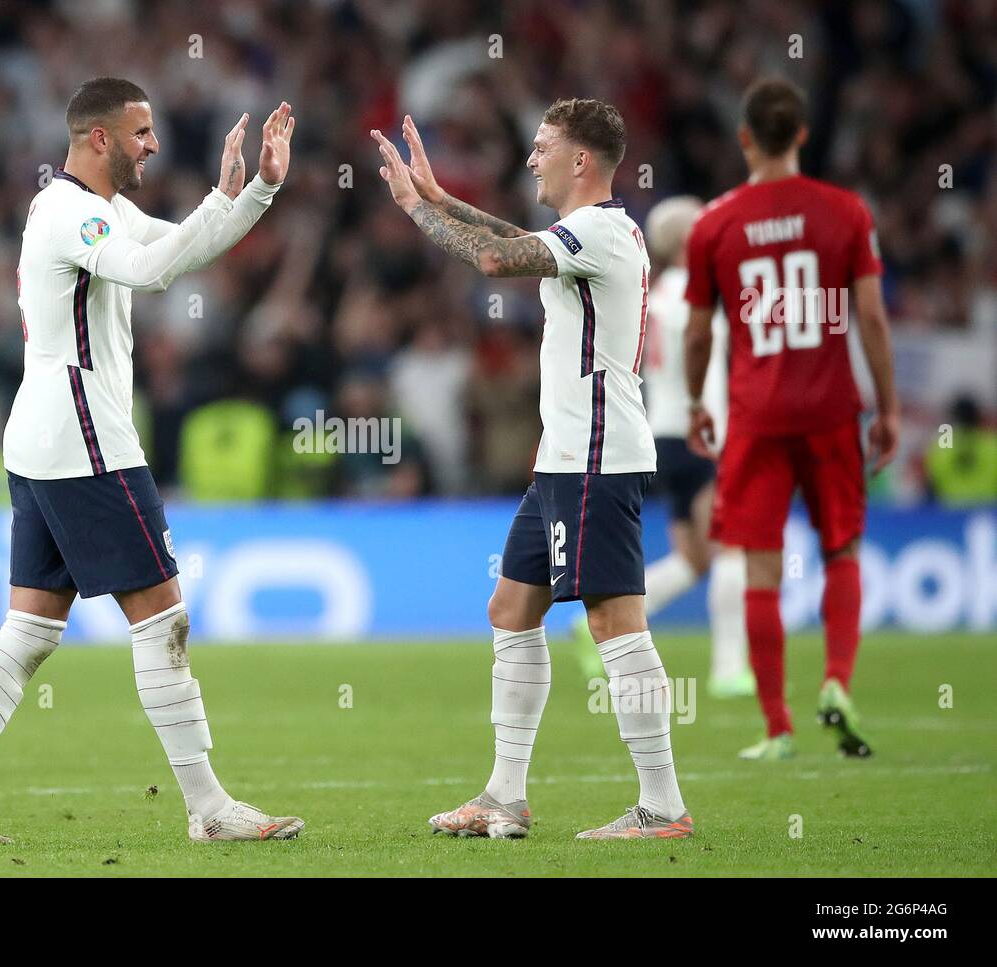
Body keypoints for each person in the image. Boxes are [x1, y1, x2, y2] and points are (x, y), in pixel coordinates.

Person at [0, 78, 304, 843]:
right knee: (163, 618)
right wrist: (233, 200)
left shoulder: (96, 210)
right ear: (98, 139)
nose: (153, 145)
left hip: (41, 437)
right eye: (141, 132)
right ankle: (210, 807)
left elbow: (173, 248)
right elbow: (152, 272)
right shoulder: (70, 214)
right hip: (86, 438)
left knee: (28, 630)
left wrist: (253, 191)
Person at [373, 105, 693, 840]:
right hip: (562, 461)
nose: (530, 160)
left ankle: (664, 803)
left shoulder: (605, 231)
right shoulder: (588, 235)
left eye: (543, 148)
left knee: (614, 621)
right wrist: (441, 195)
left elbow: (493, 261)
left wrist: (418, 209)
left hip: (597, 458)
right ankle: (504, 797)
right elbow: (518, 244)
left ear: (582, 160)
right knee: (511, 610)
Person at [683, 77, 898, 760]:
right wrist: (887, 407)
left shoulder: (714, 222)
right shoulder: (845, 210)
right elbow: (869, 316)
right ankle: (836, 681)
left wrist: (696, 402)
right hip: (832, 408)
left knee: (760, 569)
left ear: (745, 137)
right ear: (802, 134)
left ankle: (777, 726)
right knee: (841, 549)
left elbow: (698, 333)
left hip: (756, 414)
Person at [637, 195, 752, 699]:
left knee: (694, 557)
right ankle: (730, 668)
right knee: (732, 549)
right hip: (700, 432)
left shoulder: (653, 294)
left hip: (659, 435)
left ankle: (607, 621)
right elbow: (704, 353)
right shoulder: (695, 295)